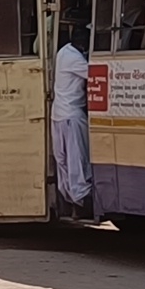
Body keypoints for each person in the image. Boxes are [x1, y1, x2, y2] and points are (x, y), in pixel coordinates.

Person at [52, 23, 93, 216]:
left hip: (58, 114)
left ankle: (69, 199)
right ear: (85, 43)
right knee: (77, 159)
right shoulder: (76, 59)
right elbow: (95, 73)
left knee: (63, 160)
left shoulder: (63, 52)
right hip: (72, 115)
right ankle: (81, 200)